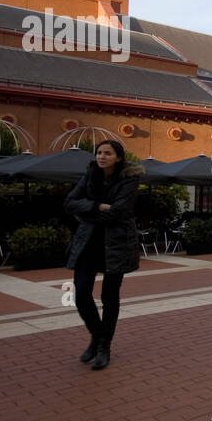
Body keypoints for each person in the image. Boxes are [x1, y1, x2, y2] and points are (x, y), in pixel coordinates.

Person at [64, 140, 142, 370]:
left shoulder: (129, 178)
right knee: (82, 294)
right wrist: (98, 206)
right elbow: (69, 202)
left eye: (107, 153)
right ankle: (96, 336)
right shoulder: (90, 175)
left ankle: (104, 346)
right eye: (99, 152)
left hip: (116, 245)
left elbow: (119, 212)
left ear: (118, 157)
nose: (102, 157)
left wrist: (87, 210)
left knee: (109, 297)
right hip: (88, 242)